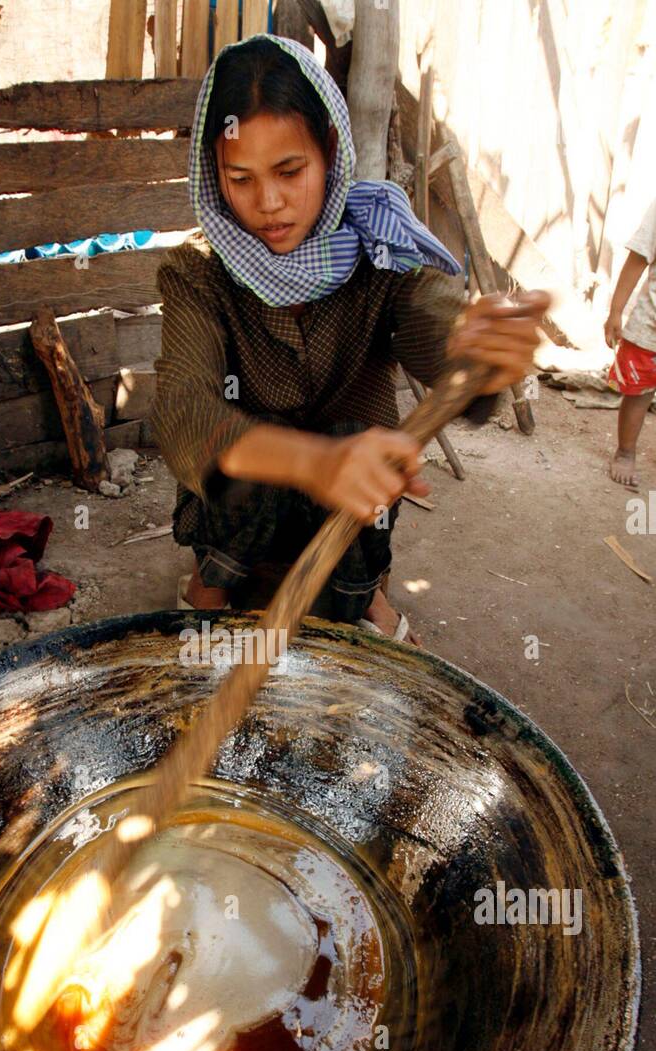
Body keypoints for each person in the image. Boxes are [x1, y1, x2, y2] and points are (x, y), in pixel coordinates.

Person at [150, 34, 547, 642]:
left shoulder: (382, 251)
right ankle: (212, 582)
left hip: (355, 506)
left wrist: (475, 351)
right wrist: (313, 463)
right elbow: (183, 413)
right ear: (213, 173)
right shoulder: (197, 273)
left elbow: (436, 330)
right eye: (241, 178)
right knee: (240, 448)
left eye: (290, 170)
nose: (270, 203)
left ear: (331, 150)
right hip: (241, 504)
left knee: (360, 442)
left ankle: (364, 600)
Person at [605, 197, 656, 488]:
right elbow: (638, 258)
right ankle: (625, 452)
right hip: (650, 329)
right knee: (639, 393)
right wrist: (615, 312)